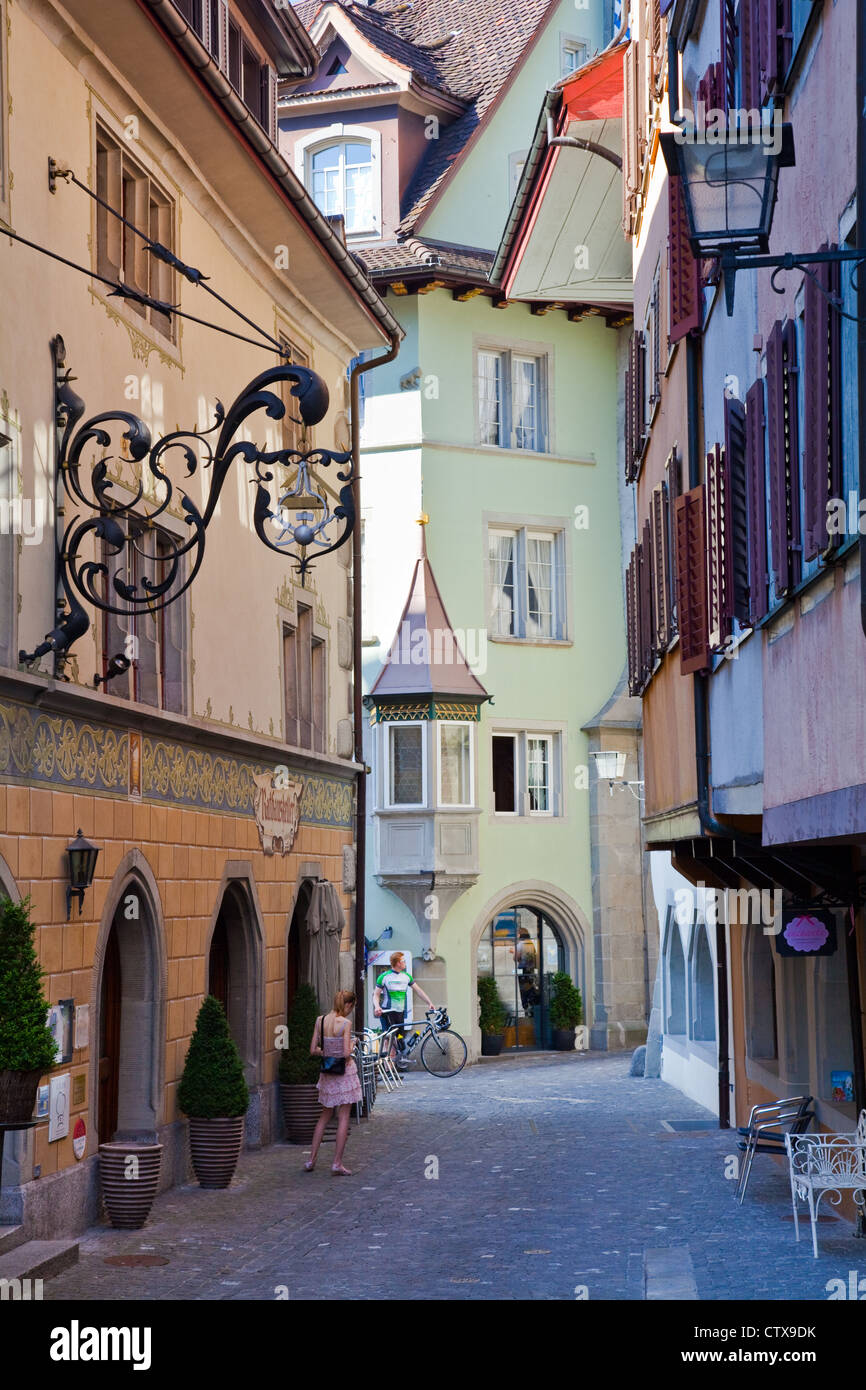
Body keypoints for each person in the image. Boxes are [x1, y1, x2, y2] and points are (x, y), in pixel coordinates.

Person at [304, 989, 361, 1176]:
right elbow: (345, 1054)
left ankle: (311, 1159)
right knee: (344, 1116)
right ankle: (337, 1163)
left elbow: (313, 1049)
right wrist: (353, 1044)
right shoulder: (345, 1023)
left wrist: (327, 1051)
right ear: (348, 1005)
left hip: (327, 1073)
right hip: (344, 1072)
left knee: (324, 1115)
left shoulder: (320, 1020)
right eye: (351, 1007)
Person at [373, 951, 434, 1068]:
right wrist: (377, 1006)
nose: (405, 963)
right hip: (387, 1012)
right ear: (397, 963)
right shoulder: (384, 977)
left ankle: (394, 1068)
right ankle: (388, 1069)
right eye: (403, 961)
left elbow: (419, 991)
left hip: (400, 1013)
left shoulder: (406, 977)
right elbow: (376, 995)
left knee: (398, 1040)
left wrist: (429, 1002)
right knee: (389, 1040)